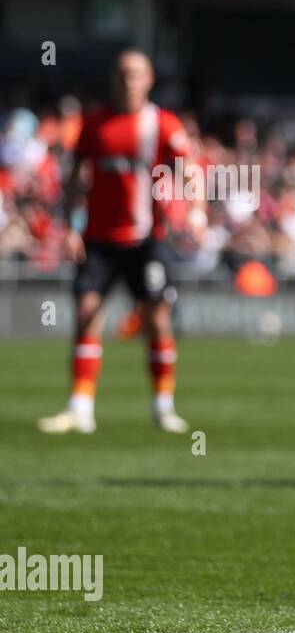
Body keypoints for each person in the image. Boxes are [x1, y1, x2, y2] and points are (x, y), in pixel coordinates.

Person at [39, 50, 193, 435]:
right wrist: (70, 226)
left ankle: (163, 406)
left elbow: (189, 170)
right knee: (87, 312)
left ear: (150, 78)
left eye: (137, 74)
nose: (130, 81)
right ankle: (80, 408)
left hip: (146, 239)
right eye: (124, 74)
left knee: (157, 319)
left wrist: (194, 209)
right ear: (114, 78)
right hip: (99, 238)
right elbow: (75, 177)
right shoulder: (93, 123)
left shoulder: (163, 123)